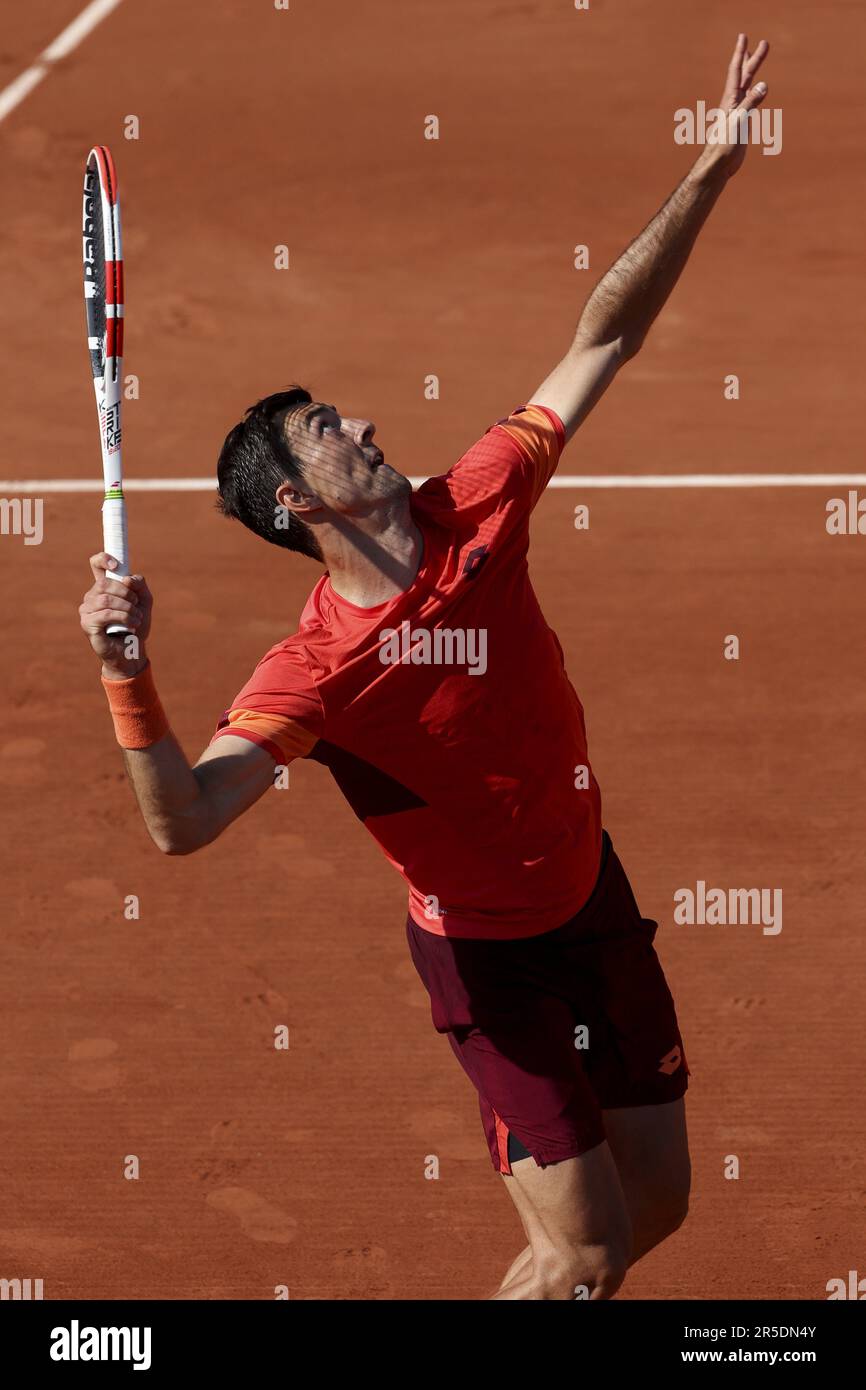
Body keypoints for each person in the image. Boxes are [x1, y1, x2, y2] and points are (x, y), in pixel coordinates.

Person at [80, 36, 770, 1299]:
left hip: (589, 891)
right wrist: (128, 673)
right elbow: (181, 825)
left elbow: (600, 337)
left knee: (653, 1205)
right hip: (489, 960)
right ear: (297, 499)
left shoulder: (482, 496)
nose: (367, 424)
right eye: (331, 429)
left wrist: (706, 171)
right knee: (584, 1258)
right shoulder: (315, 673)